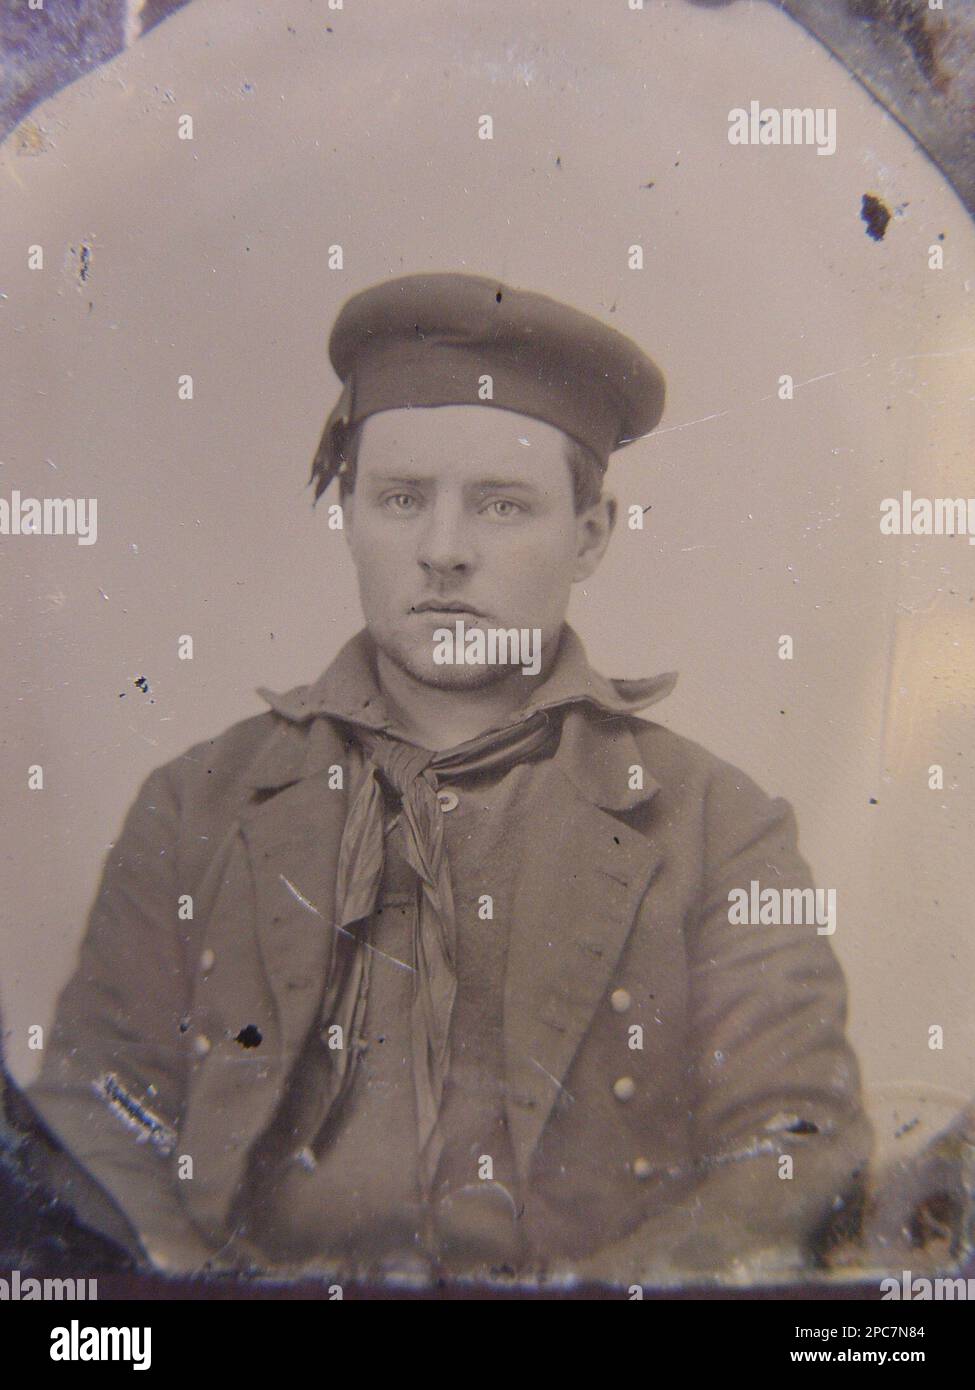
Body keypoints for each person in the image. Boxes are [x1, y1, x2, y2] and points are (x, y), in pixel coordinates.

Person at [29, 273, 872, 1284]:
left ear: (591, 534)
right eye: (399, 499)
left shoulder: (714, 825)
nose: (441, 552)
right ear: (347, 511)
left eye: (502, 505)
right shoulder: (197, 806)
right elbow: (92, 1119)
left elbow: (792, 1137)